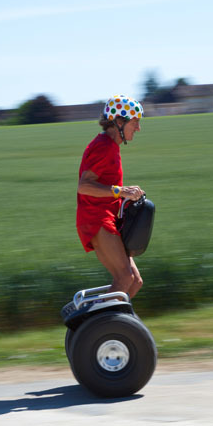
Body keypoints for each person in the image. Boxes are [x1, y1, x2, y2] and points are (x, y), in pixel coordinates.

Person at [76, 94, 145, 299]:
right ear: (119, 122)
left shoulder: (111, 146)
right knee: (125, 277)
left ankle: (117, 328)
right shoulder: (103, 146)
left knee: (134, 281)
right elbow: (84, 186)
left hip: (107, 217)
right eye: (135, 122)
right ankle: (96, 327)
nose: (138, 128)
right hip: (97, 219)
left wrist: (126, 195)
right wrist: (121, 191)